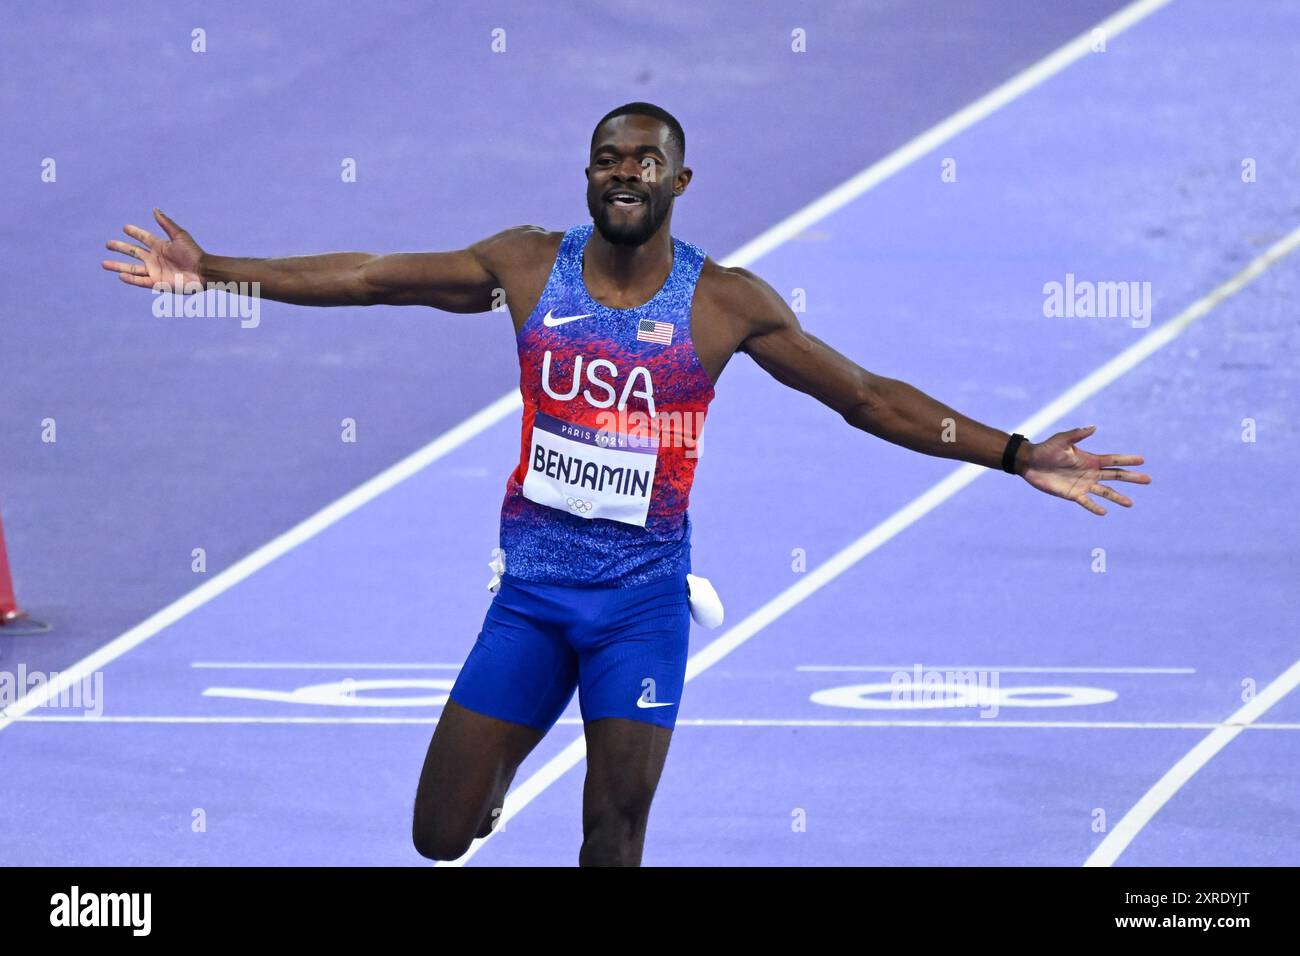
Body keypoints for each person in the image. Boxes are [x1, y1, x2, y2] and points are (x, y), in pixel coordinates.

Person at [102, 101, 1151, 867]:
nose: (622, 172)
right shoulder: (524, 266)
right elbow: (376, 276)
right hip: (531, 596)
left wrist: (1014, 452)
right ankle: (497, 780)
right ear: (588, 174)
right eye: (606, 157)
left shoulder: (726, 305)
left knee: (612, 829)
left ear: (677, 183)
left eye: (644, 160)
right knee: (437, 836)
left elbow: (868, 396)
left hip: (643, 605)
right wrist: (219, 269)